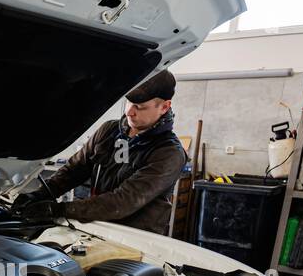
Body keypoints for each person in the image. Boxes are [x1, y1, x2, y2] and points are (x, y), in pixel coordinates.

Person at [14, 70, 186, 234]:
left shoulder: (169, 153)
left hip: (136, 241)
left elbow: (123, 202)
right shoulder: (109, 130)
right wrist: (39, 195)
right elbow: (74, 170)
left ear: (164, 107)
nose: (129, 112)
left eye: (139, 107)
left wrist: (58, 209)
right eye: (128, 102)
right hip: (95, 228)